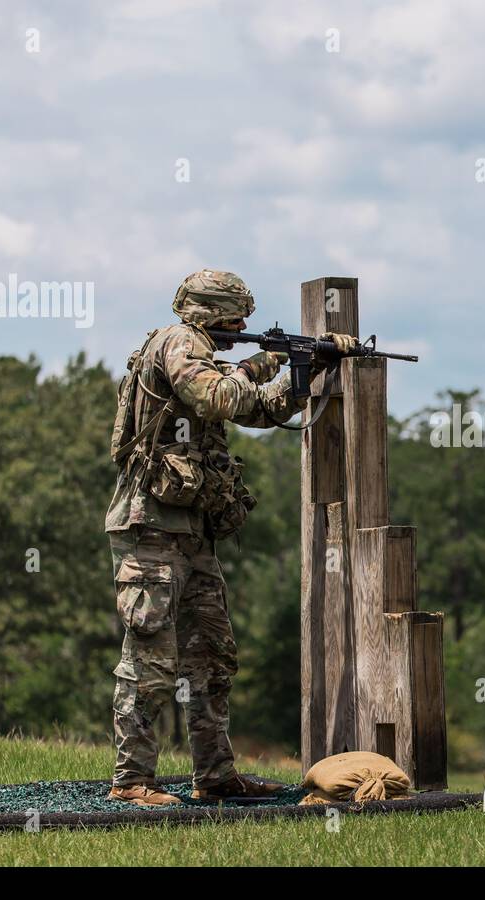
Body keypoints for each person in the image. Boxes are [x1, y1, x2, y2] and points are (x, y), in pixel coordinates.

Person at [103, 269, 356, 805]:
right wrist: (265, 360)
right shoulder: (178, 344)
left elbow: (259, 409)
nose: (242, 326)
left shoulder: (205, 353)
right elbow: (218, 396)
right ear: (208, 313)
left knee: (212, 658)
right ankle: (132, 782)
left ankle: (215, 777)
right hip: (151, 527)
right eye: (235, 317)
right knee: (150, 659)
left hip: (193, 531)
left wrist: (304, 371)